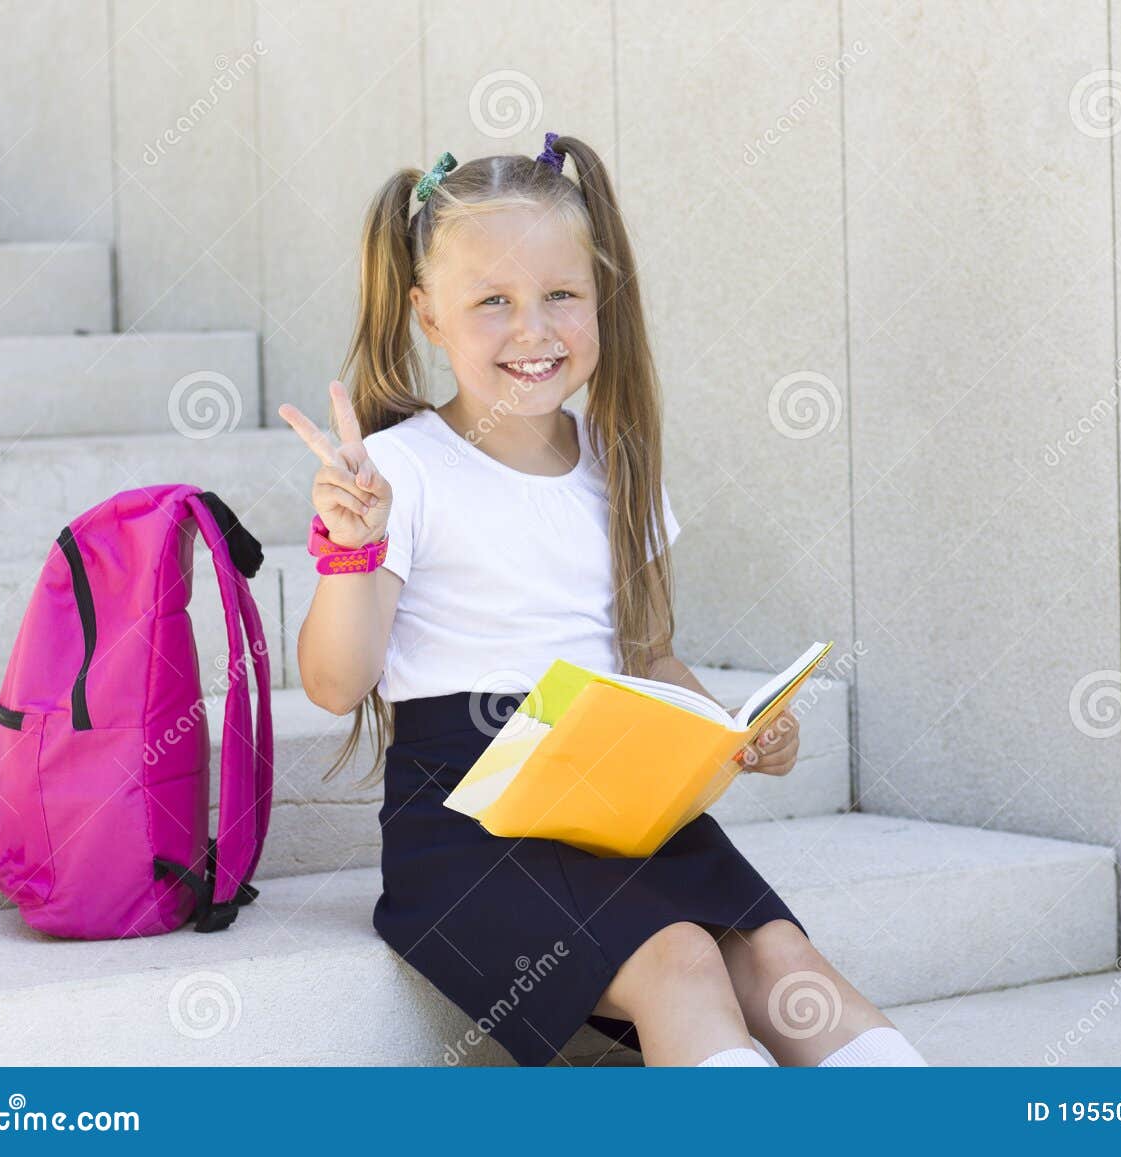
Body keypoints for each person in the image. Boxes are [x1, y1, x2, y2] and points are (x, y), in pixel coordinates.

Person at [277, 133, 924, 1069]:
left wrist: (734, 727)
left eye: (561, 296)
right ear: (427, 315)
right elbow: (337, 685)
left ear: (600, 299)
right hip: (468, 816)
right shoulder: (400, 471)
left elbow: (650, 656)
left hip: (615, 793)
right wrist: (350, 547)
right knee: (681, 958)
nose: (533, 330)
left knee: (789, 963)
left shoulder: (617, 466)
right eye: (492, 301)